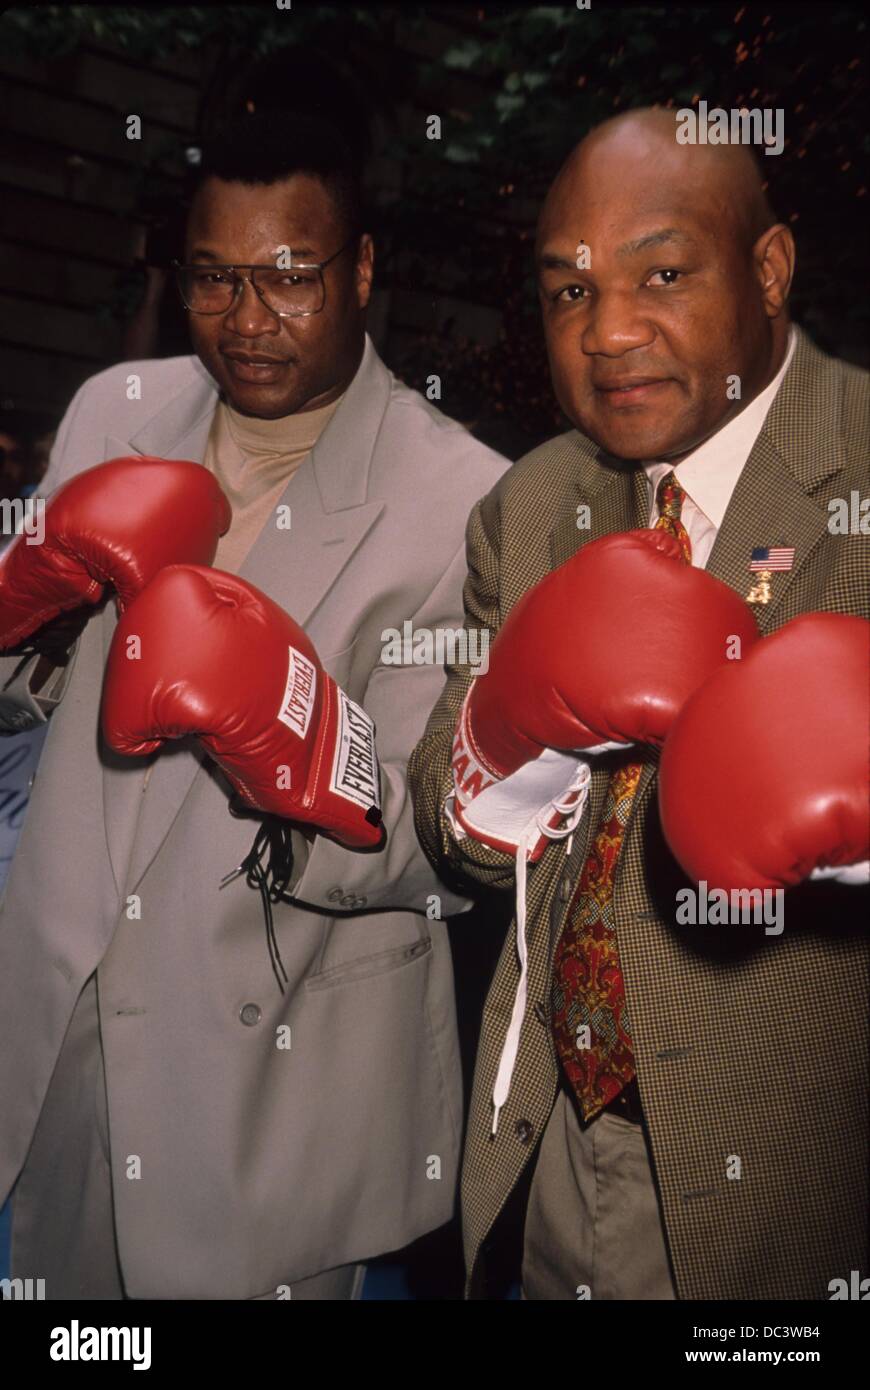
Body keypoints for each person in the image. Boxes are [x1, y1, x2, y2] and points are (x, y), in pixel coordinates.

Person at [0, 111, 508, 1300]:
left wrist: (297, 730)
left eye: (290, 277)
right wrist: (28, 615)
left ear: (363, 269)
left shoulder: (466, 500)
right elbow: (20, 704)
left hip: (266, 1096)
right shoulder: (110, 411)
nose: (247, 319)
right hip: (58, 1051)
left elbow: (456, 842)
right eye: (215, 279)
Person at [409, 106, 869, 1300]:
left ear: (768, 271)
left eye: (662, 273)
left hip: (804, 1184)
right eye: (568, 292)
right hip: (555, 1139)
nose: (609, 331)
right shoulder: (535, 499)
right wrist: (503, 743)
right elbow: (445, 828)